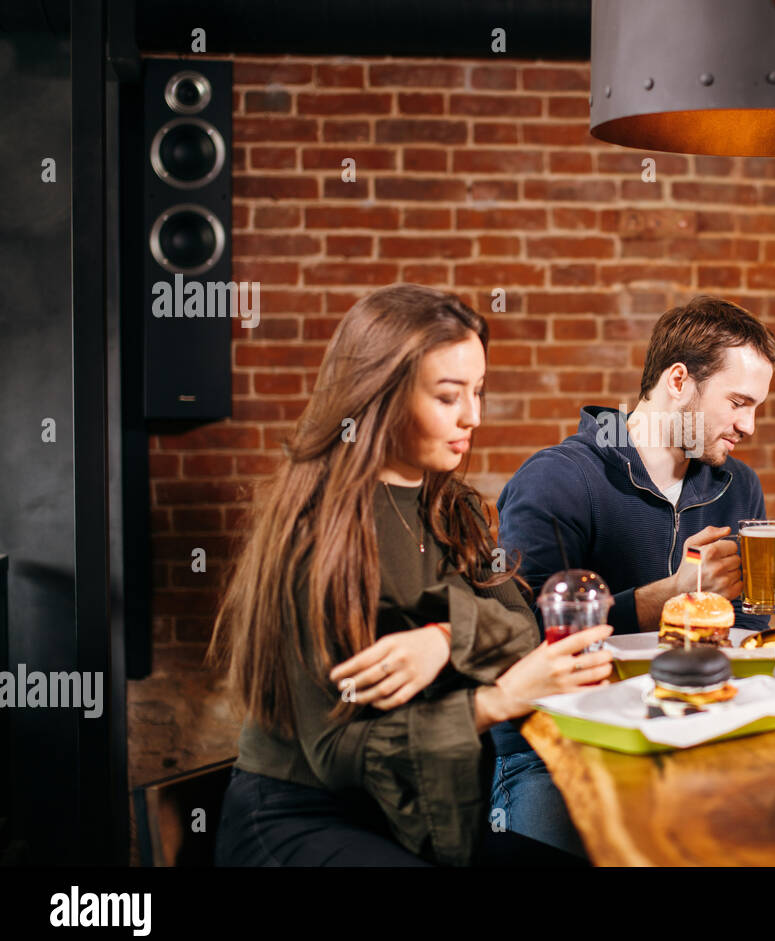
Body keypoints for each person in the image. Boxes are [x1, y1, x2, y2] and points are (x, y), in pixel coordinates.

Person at [207, 284, 614, 866]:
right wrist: (495, 701)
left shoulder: (459, 512)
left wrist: (443, 640)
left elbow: (525, 628)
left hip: (420, 809)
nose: (473, 416)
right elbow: (337, 750)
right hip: (303, 818)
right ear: (381, 395)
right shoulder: (317, 530)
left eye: (478, 391)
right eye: (449, 396)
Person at [489, 294, 775, 855]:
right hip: (556, 747)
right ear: (679, 381)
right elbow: (517, 639)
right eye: (739, 402)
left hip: (693, 729)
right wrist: (665, 599)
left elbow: (745, 625)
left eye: (756, 407)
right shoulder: (558, 479)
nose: (748, 426)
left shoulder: (737, 486)